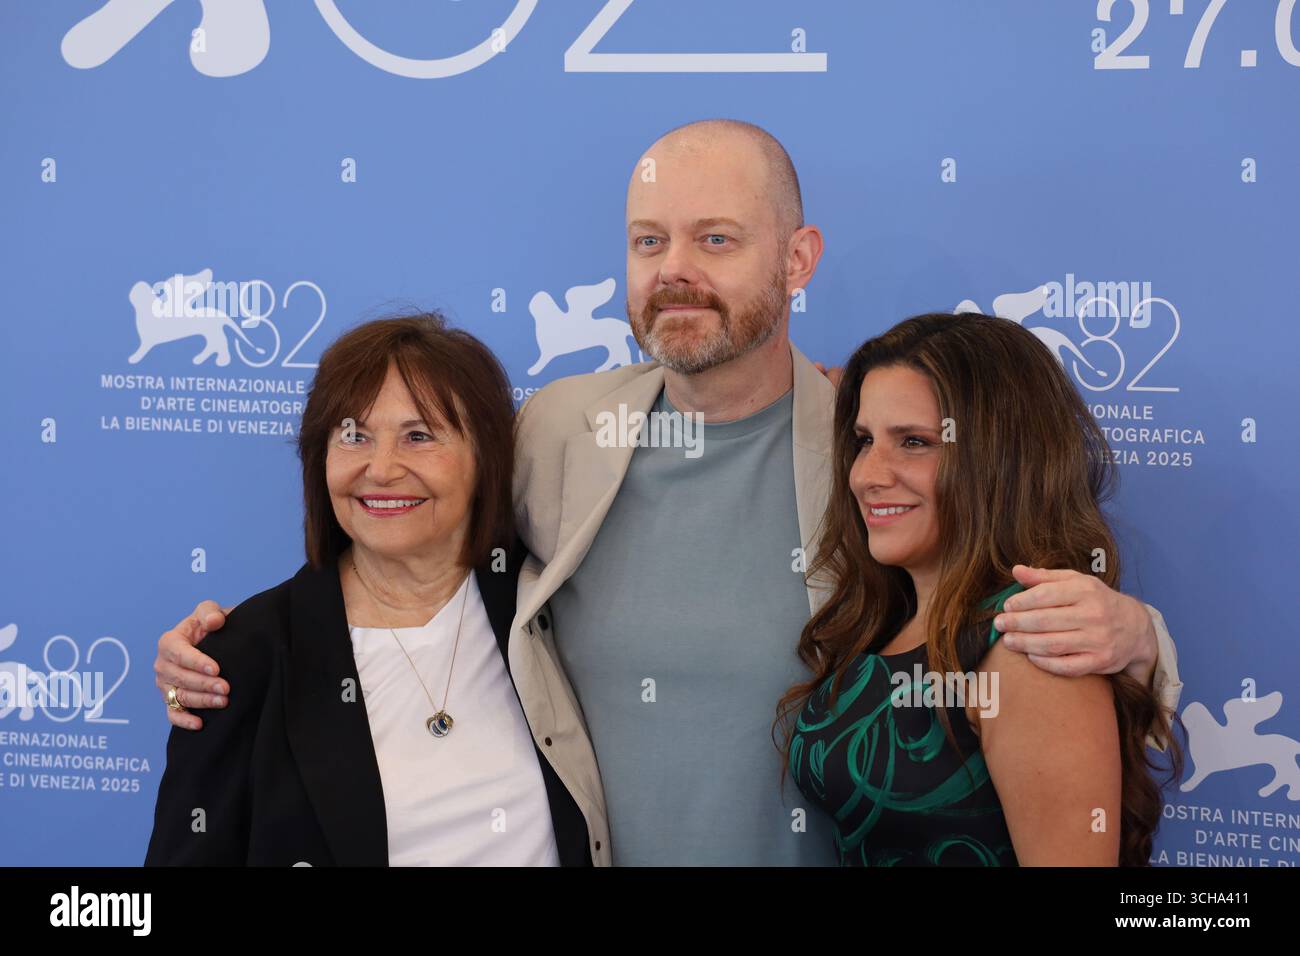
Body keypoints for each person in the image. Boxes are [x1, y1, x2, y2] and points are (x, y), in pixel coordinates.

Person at [154, 119, 1182, 866]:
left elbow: (999, 616)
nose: (674, 271)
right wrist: (235, 652)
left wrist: (1138, 637)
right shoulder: (560, 429)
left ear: (797, 258)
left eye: (715, 239)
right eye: (650, 241)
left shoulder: (866, 442)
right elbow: (412, 540)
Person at [145, 315, 590, 866]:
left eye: (418, 436)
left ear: (486, 457)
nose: (380, 470)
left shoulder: (552, 603)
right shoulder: (243, 655)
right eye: (353, 436)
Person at [779, 313, 1182, 866]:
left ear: (1001, 460)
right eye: (864, 440)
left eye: (914, 442)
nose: (867, 474)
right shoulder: (885, 616)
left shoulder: (1031, 643)